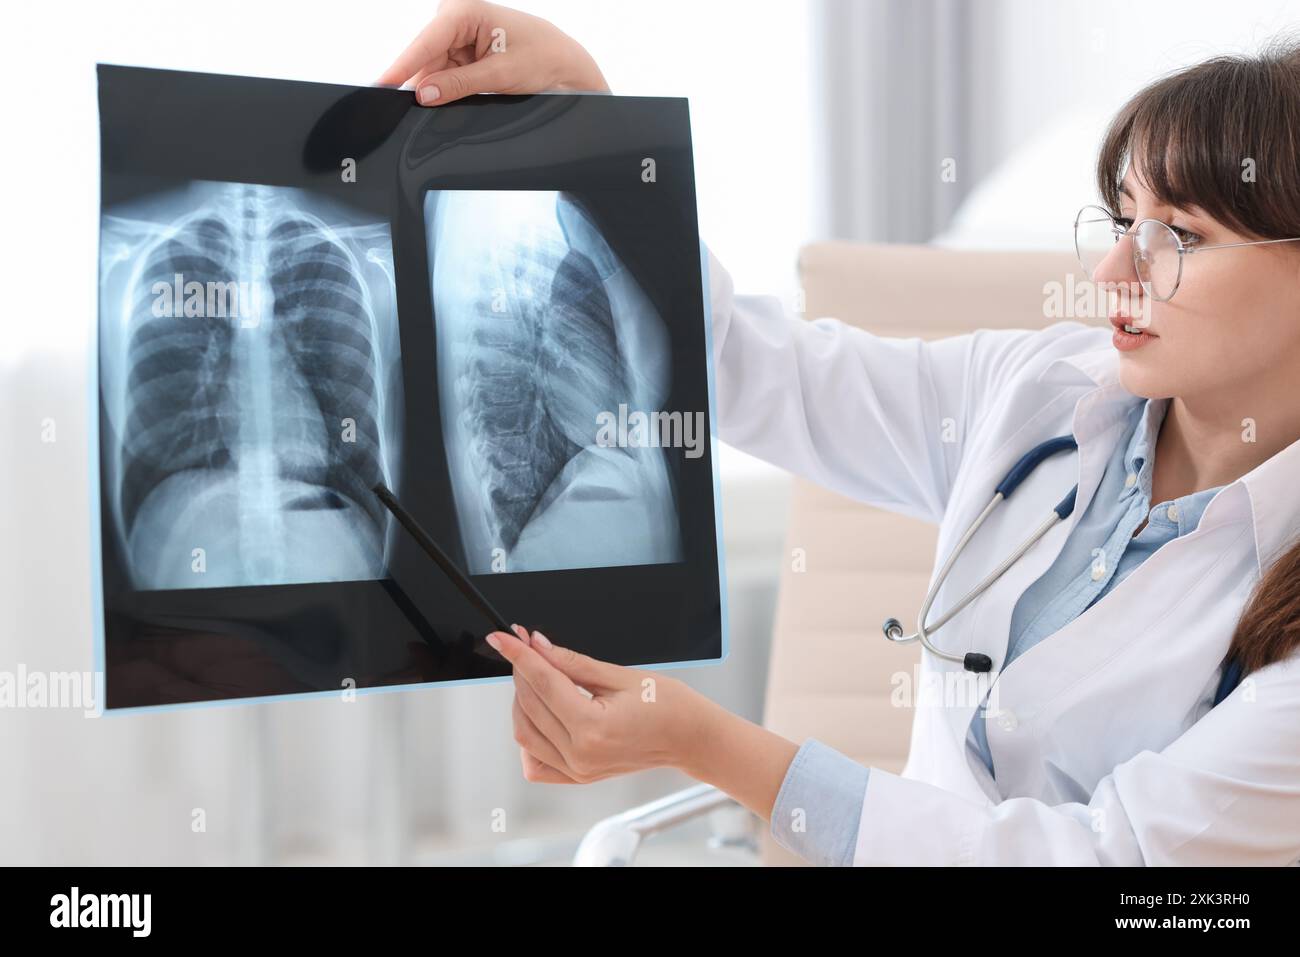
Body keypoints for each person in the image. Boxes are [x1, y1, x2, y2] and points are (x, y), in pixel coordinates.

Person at [381, 1, 1300, 866]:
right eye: (1121, 220)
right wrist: (589, 125)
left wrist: (707, 743)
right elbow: (755, 366)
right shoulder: (1041, 395)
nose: (1111, 273)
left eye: (1176, 234)